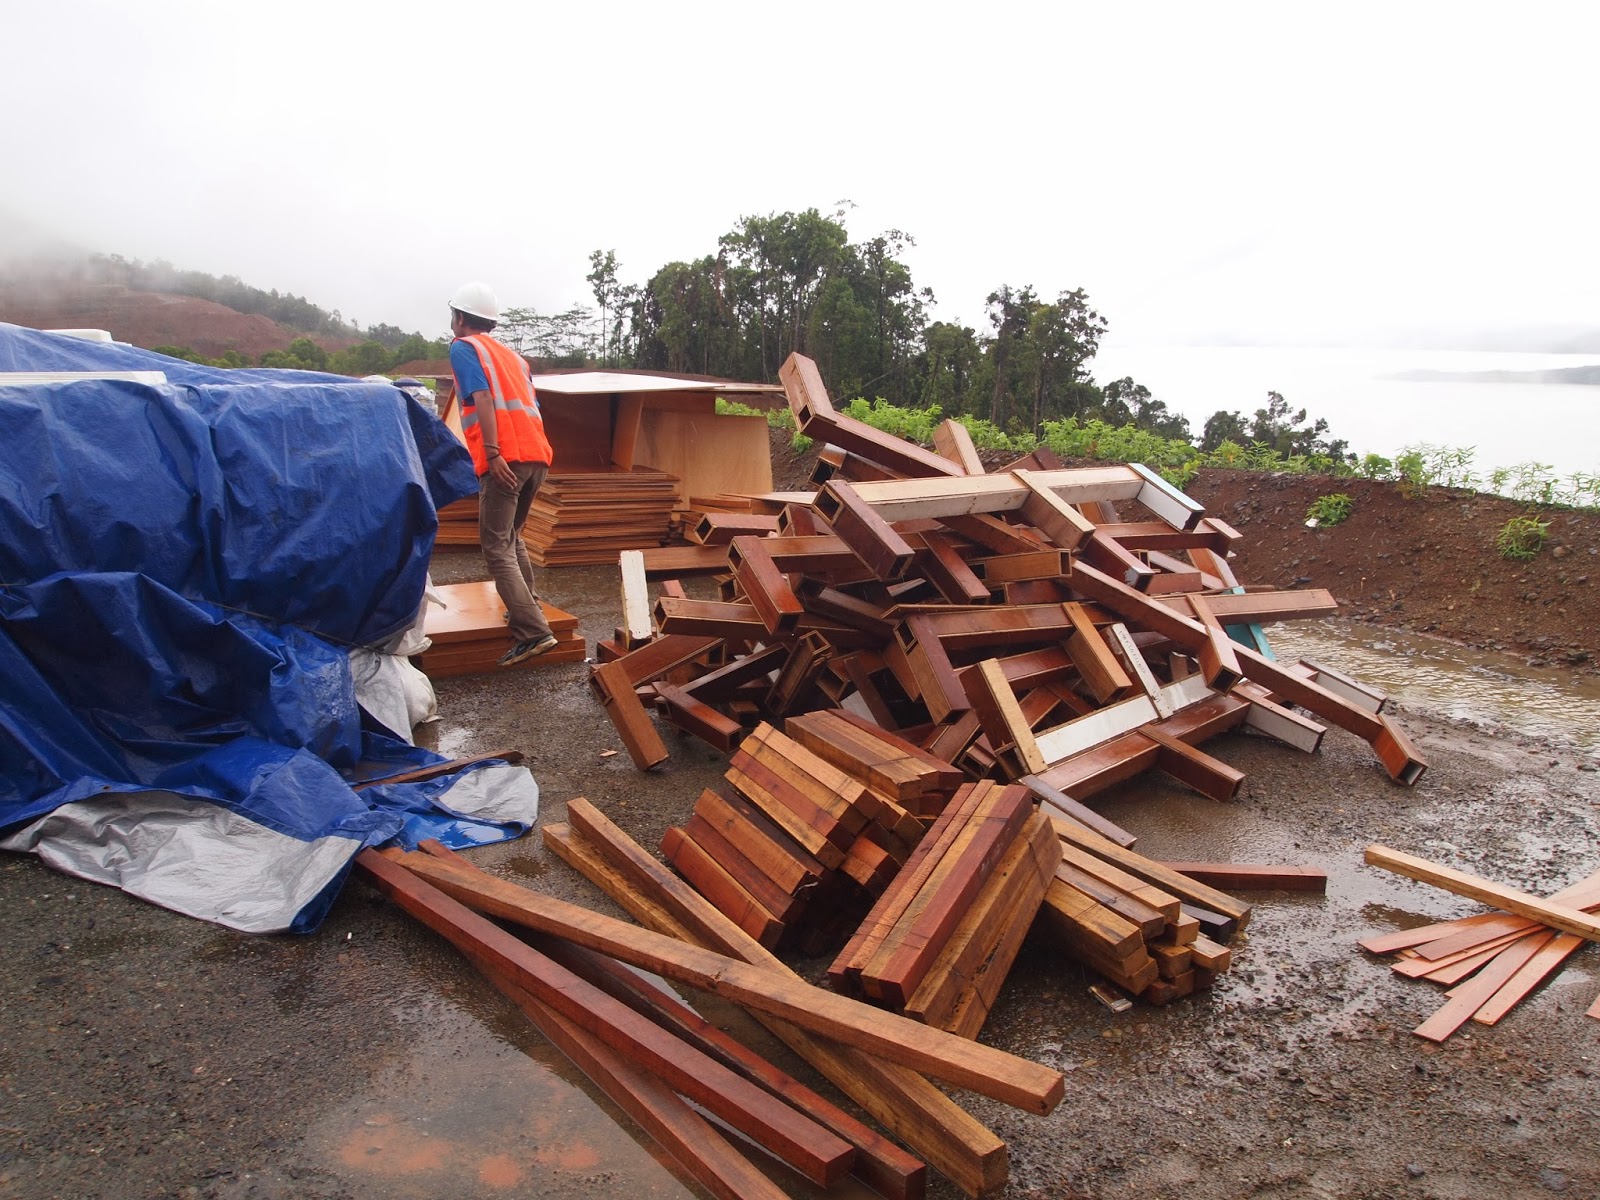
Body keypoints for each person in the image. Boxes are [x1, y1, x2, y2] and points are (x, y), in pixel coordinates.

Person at [446, 281, 558, 666]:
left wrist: (493, 454)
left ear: (460, 318)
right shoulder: (514, 359)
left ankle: (533, 631)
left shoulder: (465, 348)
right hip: (536, 458)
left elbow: (482, 398)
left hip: (505, 459)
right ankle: (525, 606)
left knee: (496, 546)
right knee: (512, 536)